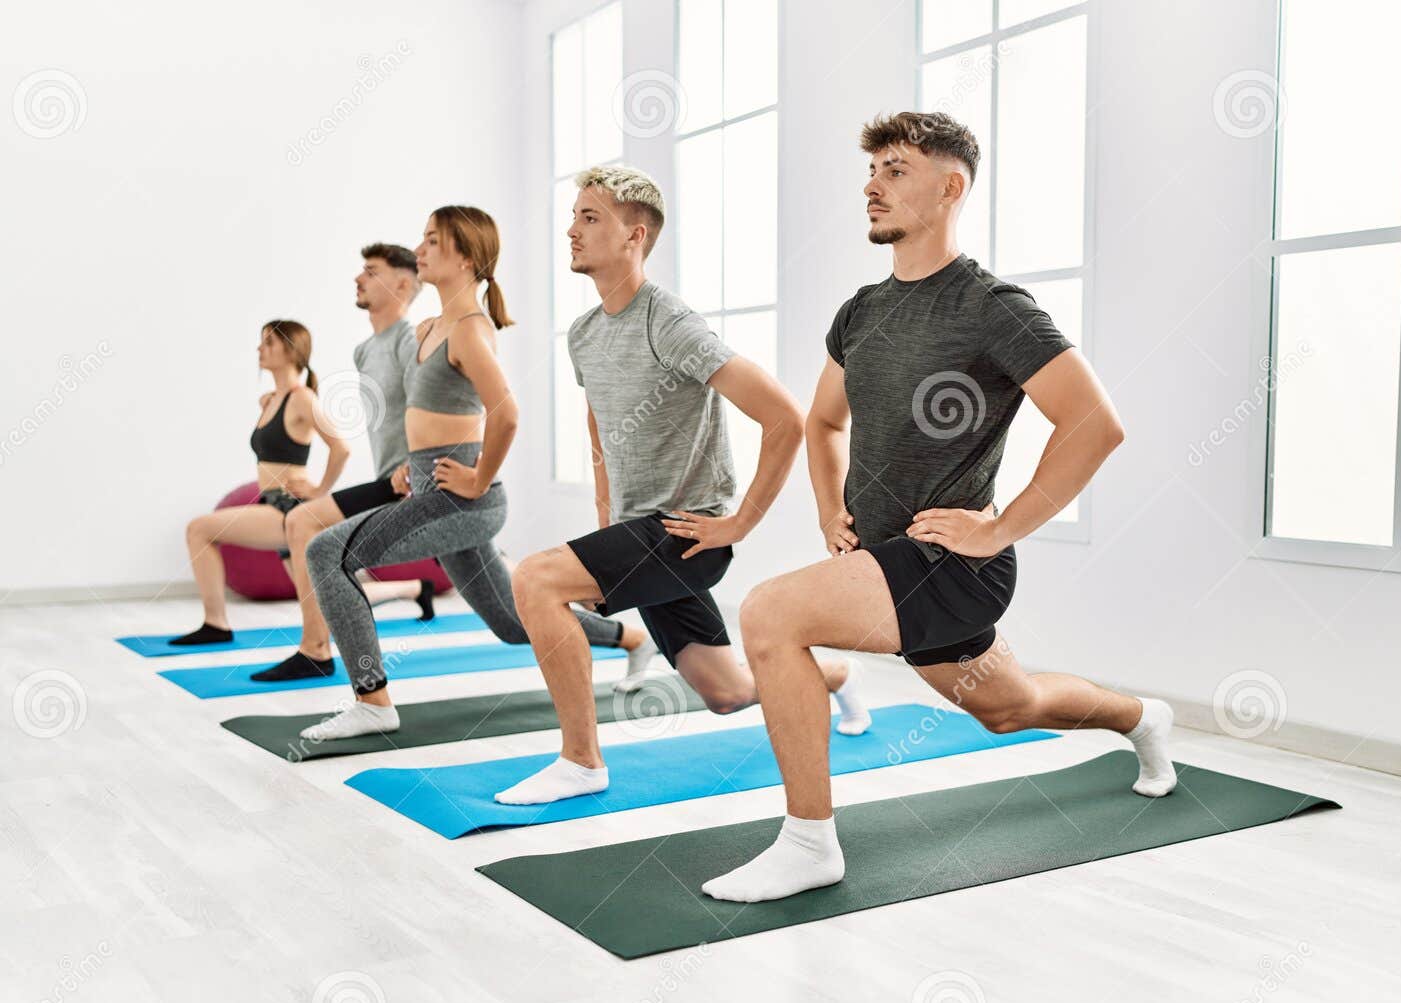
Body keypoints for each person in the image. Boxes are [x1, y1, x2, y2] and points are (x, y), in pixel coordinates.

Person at [698, 113, 1177, 903]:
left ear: (950, 187)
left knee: (769, 613)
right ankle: (1143, 717)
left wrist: (1001, 527)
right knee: (1012, 706)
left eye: (895, 170)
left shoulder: (993, 308)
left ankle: (809, 843)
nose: (872, 185)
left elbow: (1096, 423)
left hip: (951, 567)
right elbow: (822, 422)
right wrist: (828, 508)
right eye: (872, 170)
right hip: (886, 564)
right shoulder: (860, 311)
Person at [493, 165, 870, 806]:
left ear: (634, 235)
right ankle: (839, 674)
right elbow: (598, 426)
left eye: (590, 218)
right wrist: (606, 517)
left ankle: (581, 761)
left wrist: (739, 522)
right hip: (638, 531)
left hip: (684, 534)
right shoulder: (584, 334)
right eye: (574, 216)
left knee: (534, 579)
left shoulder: (667, 321)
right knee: (725, 692)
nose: (571, 230)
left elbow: (785, 417)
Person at [298, 206, 635, 741]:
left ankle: (373, 701)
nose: (420, 249)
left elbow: (507, 414)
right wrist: (406, 468)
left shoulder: (470, 330)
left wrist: (477, 481)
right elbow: (418, 413)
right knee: (510, 623)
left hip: (462, 500)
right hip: (434, 492)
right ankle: (631, 639)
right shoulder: (428, 328)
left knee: (326, 552)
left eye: (433, 240)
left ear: (466, 257)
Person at [249, 244, 433, 681]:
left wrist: (416, 464)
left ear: (402, 284)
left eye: (370, 271)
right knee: (497, 597)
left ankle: (317, 650)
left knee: (302, 523)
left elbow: (434, 404)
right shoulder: (365, 350)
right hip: (390, 479)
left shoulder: (410, 341)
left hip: (412, 481)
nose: (358, 278)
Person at [170, 321, 352, 645]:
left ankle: (216, 624)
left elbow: (341, 448)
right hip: (270, 501)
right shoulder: (270, 400)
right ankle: (414, 589)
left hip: (289, 507)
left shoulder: (302, 398)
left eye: (269, 342)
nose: (260, 349)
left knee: (199, 529)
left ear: (291, 350)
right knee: (321, 592)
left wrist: (319, 491)